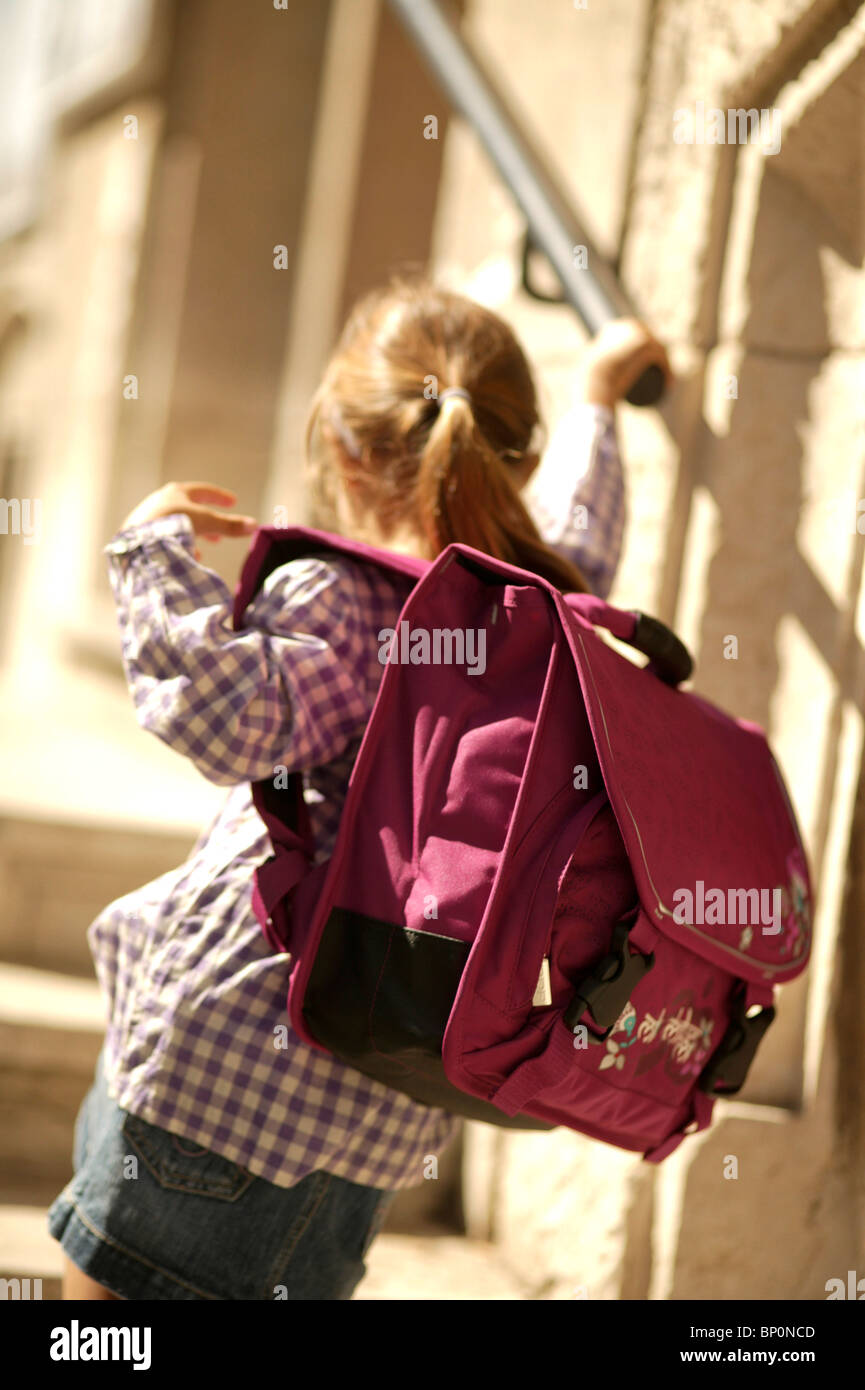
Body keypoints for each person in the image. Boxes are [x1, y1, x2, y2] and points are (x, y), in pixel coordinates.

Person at [47, 274, 672, 1300]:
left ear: (339, 445)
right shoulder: (541, 618)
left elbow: (218, 714)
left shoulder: (341, 600)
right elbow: (583, 533)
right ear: (513, 453)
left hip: (220, 1068)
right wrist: (600, 400)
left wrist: (147, 549)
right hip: (382, 1102)